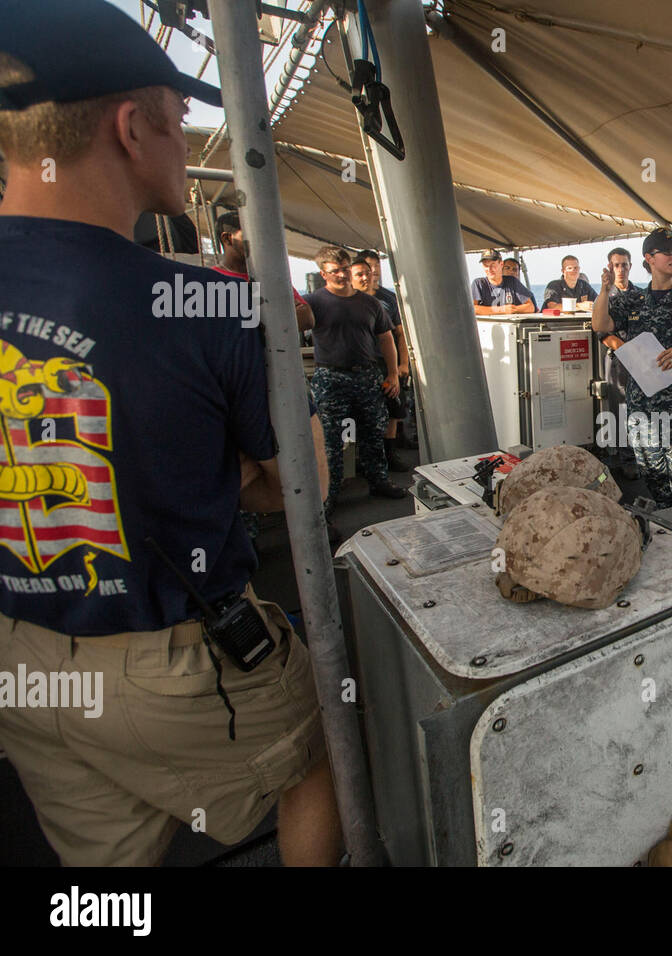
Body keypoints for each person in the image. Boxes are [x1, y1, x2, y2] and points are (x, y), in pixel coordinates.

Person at [0, 0, 340, 866]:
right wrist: (190, 480)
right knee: (327, 749)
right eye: (178, 116)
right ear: (128, 127)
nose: (187, 139)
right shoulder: (210, 307)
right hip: (176, 665)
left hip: (23, 661)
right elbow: (303, 484)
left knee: (106, 864)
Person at [592, 228, 672, 511]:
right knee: (655, 484)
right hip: (644, 408)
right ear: (649, 258)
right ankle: (667, 537)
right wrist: (604, 290)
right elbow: (601, 326)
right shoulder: (633, 300)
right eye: (669, 251)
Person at [305, 246, 406, 527]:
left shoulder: (370, 303)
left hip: (366, 376)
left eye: (344, 268)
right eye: (334, 270)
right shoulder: (313, 302)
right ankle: (329, 494)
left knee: (374, 432)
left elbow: (386, 338)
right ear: (323, 273)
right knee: (331, 441)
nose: (341, 274)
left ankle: (378, 481)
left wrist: (393, 374)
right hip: (331, 377)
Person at [350, 255, 408, 473]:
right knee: (363, 414)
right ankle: (364, 460)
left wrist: (402, 365)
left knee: (393, 408)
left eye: (373, 268)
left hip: (385, 362)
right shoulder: (347, 299)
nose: (369, 274)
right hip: (360, 365)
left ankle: (388, 455)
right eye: (362, 272)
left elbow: (399, 334)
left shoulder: (388, 299)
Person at [214, 210, 315, 334]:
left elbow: (306, 318)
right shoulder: (210, 281)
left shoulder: (270, 277)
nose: (260, 242)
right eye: (251, 236)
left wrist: (256, 325)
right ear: (228, 238)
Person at [600, 247, 640, 481]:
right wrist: (626, 350)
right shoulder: (606, 296)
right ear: (609, 267)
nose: (621, 269)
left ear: (630, 266)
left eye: (624, 264)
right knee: (621, 410)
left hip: (641, 359)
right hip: (619, 360)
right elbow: (602, 332)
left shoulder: (641, 295)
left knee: (640, 410)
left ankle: (641, 456)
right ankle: (626, 459)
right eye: (616, 265)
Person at [472, 249, 536, 314]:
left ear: (501, 264)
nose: (489, 269)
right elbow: (472, 308)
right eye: (485, 265)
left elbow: (531, 307)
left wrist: (514, 309)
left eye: (493, 265)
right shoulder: (478, 284)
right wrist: (501, 310)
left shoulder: (512, 281)